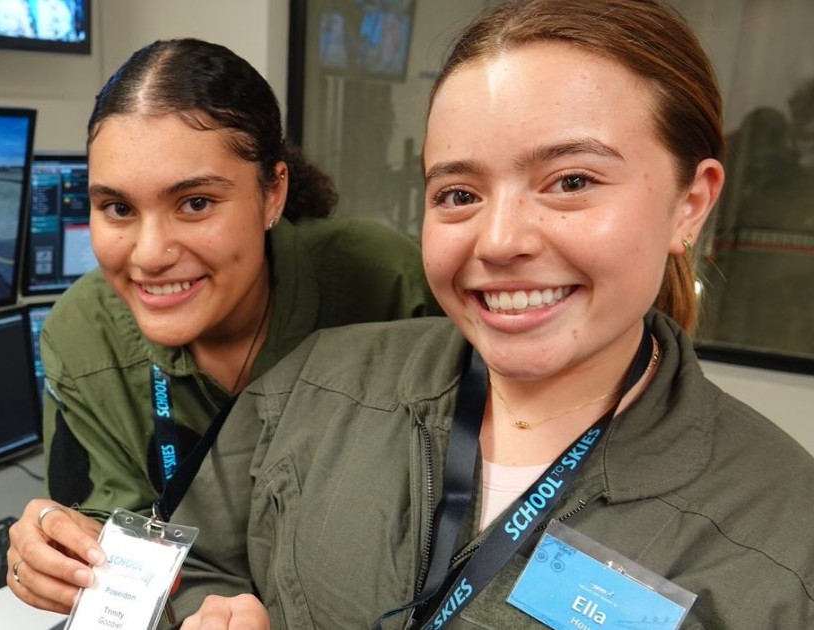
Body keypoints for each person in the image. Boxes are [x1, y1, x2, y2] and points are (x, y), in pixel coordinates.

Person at [172, 1, 814, 628]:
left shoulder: (783, 537)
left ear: (690, 204)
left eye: (571, 181)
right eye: (459, 194)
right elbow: (189, 562)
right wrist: (215, 611)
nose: (501, 240)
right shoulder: (314, 387)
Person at [6, 38, 438, 614]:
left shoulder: (385, 283)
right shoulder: (86, 338)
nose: (150, 255)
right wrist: (56, 556)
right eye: (118, 209)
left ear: (272, 193)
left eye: (195, 203)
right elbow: (106, 542)